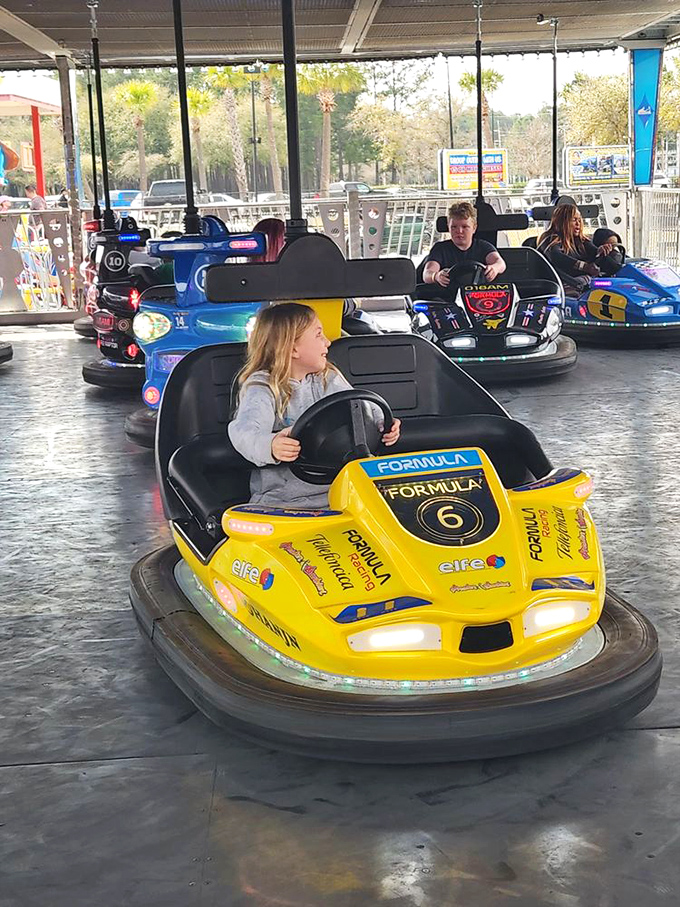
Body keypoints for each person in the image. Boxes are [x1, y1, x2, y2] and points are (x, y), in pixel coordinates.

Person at [228, 302, 401, 508]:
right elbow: (244, 431)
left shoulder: (328, 377)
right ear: (292, 348)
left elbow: (360, 407)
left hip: (343, 489)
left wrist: (383, 424)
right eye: (319, 335)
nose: (327, 342)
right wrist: (270, 445)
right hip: (285, 499)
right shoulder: (264, 387)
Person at [421, 200, 506, 297]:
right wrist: (436, 276)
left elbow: (500, 263)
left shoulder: (483, 246)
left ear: (474, 228)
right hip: (448, 298)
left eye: (465, 227)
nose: (459, 231)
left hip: (479, 297)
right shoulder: (440, 249)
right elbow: (427, 274)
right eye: (454, 227)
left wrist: (494, 268)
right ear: (448, 228)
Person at [537, 204, 615, 294]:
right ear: (563, 221)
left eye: (579, 220)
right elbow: (556, 256)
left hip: (580, 283)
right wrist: (584, 267)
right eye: (574, 220)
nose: (578, 223)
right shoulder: (550, 238)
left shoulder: (581, 240)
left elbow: (594, 252)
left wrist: (602, 250)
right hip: (560, 285)